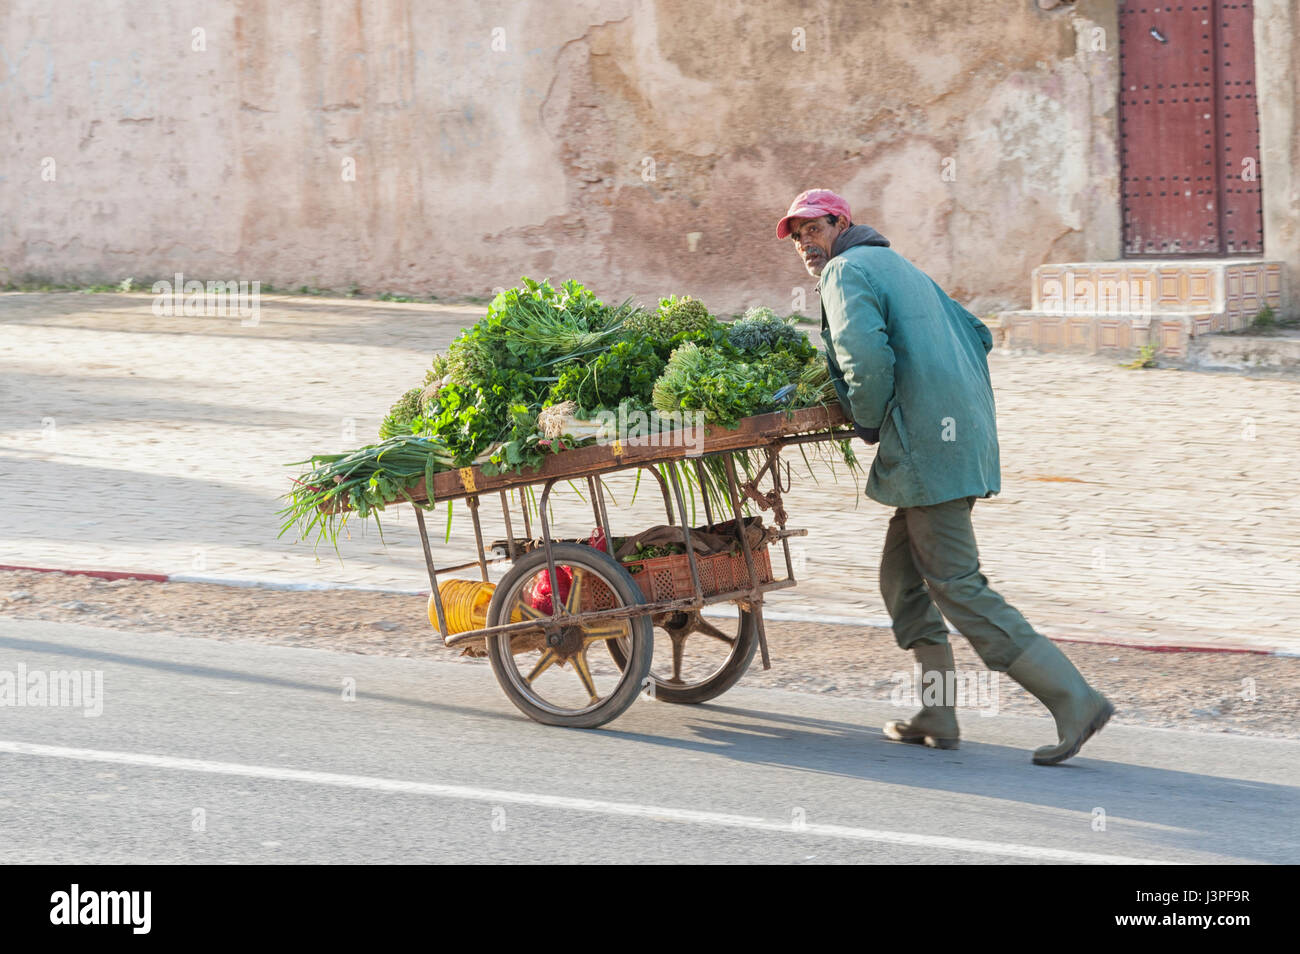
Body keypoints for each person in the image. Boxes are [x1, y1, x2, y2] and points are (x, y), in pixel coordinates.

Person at [776, 188, 1113, 765]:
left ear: (840, 223)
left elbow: (865, 357)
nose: (806, 243)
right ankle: (938, 710)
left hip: (929, 452)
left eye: (813, 229)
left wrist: (871, 417)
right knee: (901, 581)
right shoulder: (898, 265)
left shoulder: (844, 271)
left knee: (957, 584)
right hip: (959, 441)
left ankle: (1074, 699)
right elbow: (978, 334)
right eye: (797, 235)